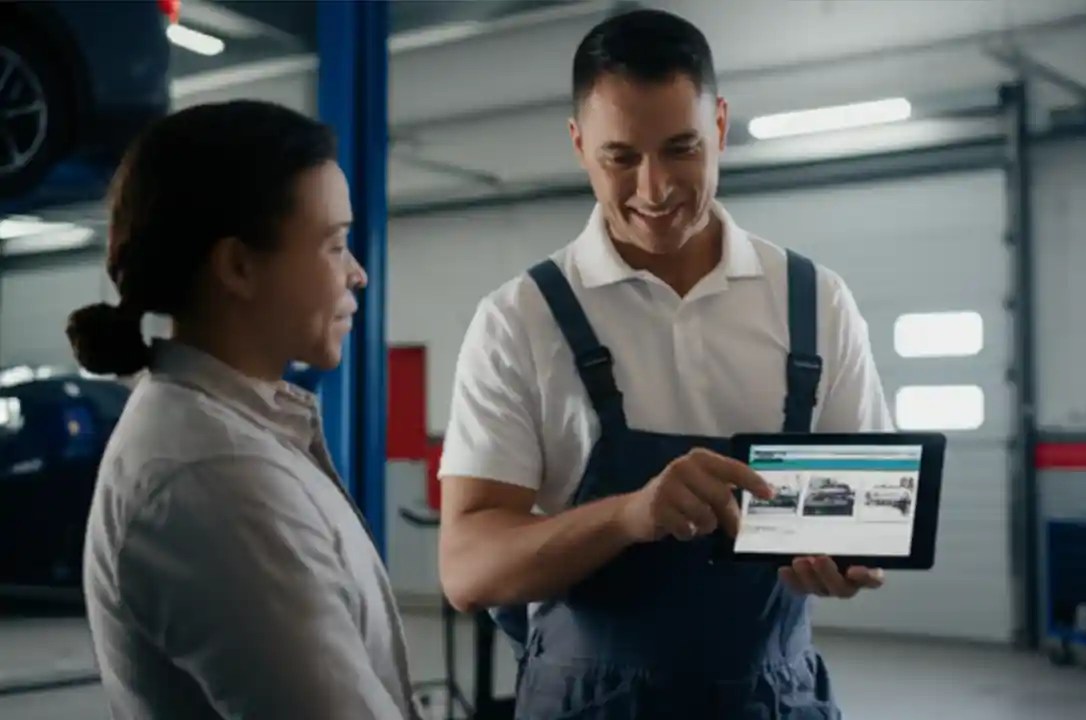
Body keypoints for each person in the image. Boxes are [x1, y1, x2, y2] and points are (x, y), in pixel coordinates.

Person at [438, 8, 893, 719]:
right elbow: (466, 568)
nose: (654, 189)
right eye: (621, 157)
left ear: (718, 127)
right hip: (585, 704)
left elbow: (863, 515)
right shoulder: (520, 319)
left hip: (774, 700)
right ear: (579, 144)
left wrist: (843, 560)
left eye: (681, 148)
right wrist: (629, 516)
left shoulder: (817, 303)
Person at [70, 100, 421, 720]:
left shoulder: (229, 436)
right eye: (335, 245)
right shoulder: (214, 477)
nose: (358, 274)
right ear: (237, 266)